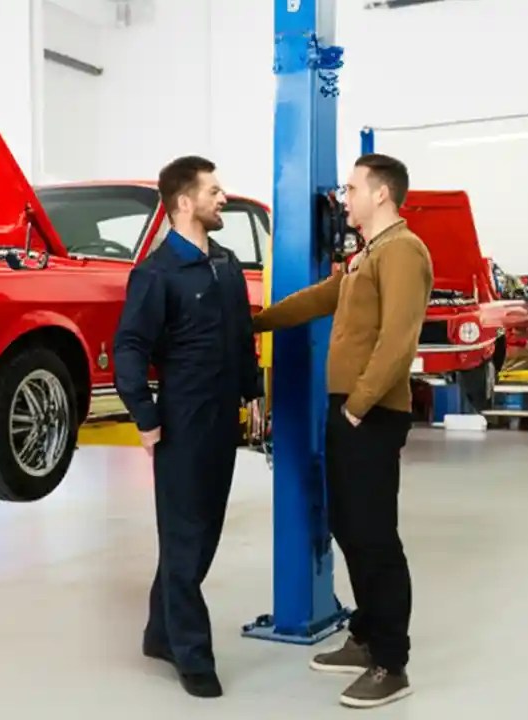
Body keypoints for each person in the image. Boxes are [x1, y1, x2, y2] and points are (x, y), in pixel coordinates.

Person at [252, 153, 432, 709]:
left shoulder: (403, 250)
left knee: (375, 537)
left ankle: (391, 663)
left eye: (352, 188)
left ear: (381, 194)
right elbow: (318, 300)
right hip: (352, 411)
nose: (343, 197)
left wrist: (357, 405)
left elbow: (399, 338)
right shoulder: (368, 255)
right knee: (350, 528)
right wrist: (255, 319)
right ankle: (365, 634)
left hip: (370, 413)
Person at [113, 155, 262, 699]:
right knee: (184, 535)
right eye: (214, 191)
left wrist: (253, 394)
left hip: (223, 418)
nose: (223, 198)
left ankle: (159, 632)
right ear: (183, 203)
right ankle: (192, 654)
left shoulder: (223, 263)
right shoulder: (156, 273)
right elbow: (129, 348)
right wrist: (146, 418)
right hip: (181, 421)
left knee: (203, 532)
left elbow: (241, 333)